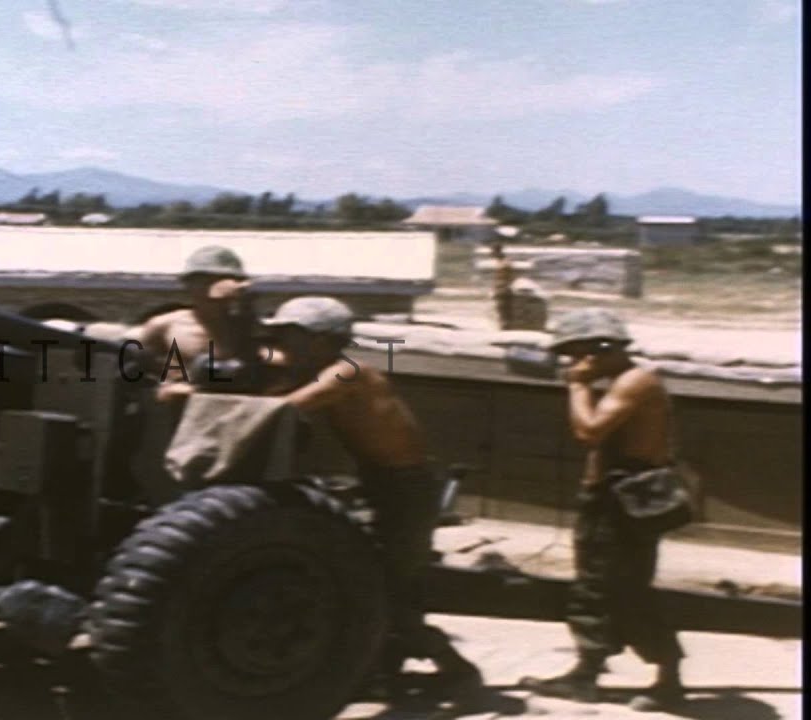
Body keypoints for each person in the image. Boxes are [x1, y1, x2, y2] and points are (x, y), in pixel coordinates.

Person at [259, 296, 485, 707]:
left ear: (324, 341)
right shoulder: (327, 369)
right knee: (379, 580)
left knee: (390, 587)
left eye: (292, 335)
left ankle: (460, 674)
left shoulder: (348, 373)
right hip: (385, 484)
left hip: (407, 490)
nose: (284, 343)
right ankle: (385, 676)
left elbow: (290, 406)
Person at [519, 308, 685, 712]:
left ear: (604, 349)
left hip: (625, 502)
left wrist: (576, 388)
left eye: (578, 355)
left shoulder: (635, 382)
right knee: (595, 588)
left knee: (623, 589)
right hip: (609, 501)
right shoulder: (619, 381)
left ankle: (668, 678)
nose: (573, 364)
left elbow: (589, 431)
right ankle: (586, 674)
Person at [128, 245, 255, 401]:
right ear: (188, 284)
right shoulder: (164, 325)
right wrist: (163, 389)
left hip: (231, 406)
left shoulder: (245, 327)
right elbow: (133, 371)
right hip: (178, 408)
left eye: (220, 279)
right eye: (202, 280)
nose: (211, 287)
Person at [490, 243, 515, 330]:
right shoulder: (502, 262)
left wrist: (501, 288)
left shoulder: (505, 263)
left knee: (504, 310)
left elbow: (508, 278)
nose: (491, 254)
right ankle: (505, 327)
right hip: (502, 289)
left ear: (497, 252)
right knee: (501, 310)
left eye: (492, 252)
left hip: (504, 290)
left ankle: (506, 328)